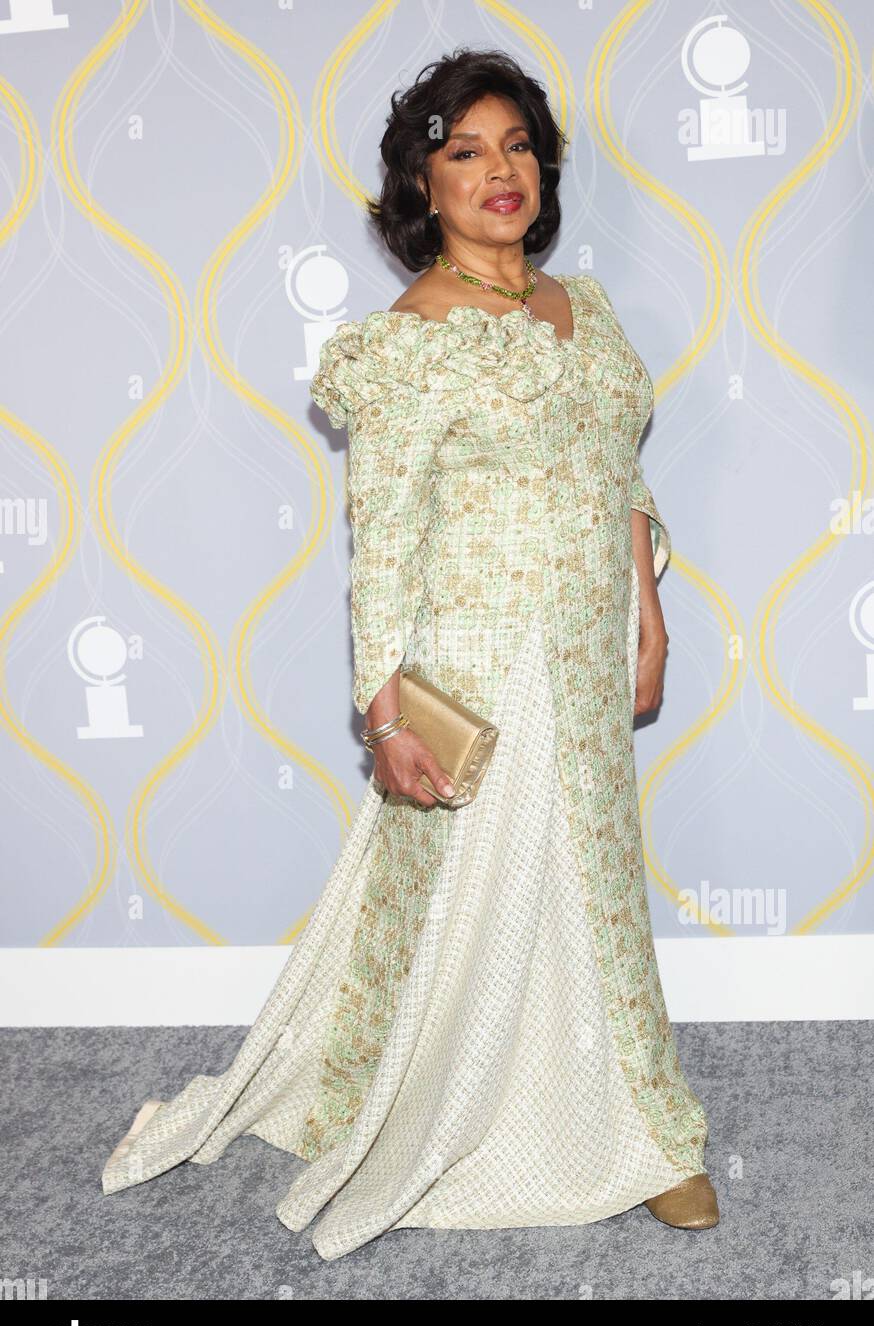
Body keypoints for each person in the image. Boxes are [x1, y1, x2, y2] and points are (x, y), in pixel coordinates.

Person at [101, 47, 718, 1261]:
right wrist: (385, 712)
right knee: (475, 897)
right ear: (423, 187)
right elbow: (381, 537)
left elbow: (619, 472)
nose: (501, 171)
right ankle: (540, 1125)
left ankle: (643, 1122)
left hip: (590, 645)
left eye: (518, 145)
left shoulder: (580, 311)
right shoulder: (407, 338)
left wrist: (648, 615)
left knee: (594, 885)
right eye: (465, 151)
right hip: (480, 656)